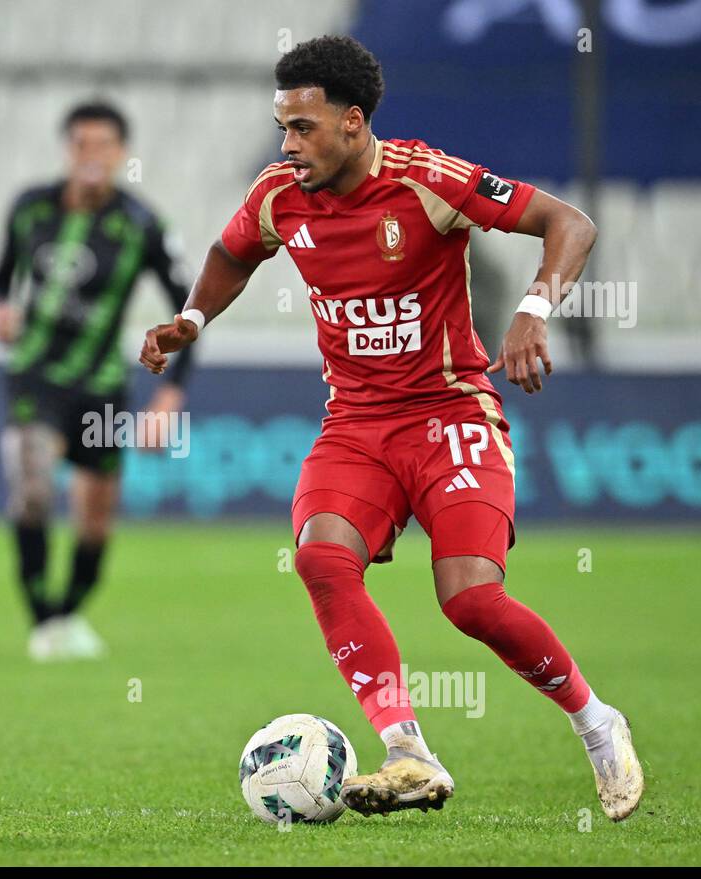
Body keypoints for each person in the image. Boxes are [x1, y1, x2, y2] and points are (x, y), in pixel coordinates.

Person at [139, 36, 644, 821]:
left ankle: (597, 722)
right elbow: (231, 252)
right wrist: (194, 318)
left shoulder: (426, 180)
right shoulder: (279, 195)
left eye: (302, 128)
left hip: (450, 414)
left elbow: (568, 222)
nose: (287, 145)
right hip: (356, 424)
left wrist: (533, 311)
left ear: (352, 121)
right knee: (321, 558)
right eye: (281, 127)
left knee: (469, 601)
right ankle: (409, 751)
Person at [0, 102, 194, 661]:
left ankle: (68, 614)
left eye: (104, 145)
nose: (92, 155)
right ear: (68, 148)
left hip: (102, 387)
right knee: (32, 488)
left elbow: (190, 311)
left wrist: (168, 398)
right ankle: (42, 622)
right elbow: (0, 276)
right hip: (35, 375)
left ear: (121, 153)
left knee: (95, 519)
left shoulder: (142, 225)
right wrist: (0, 307)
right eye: (82, 144)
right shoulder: (31, 209)